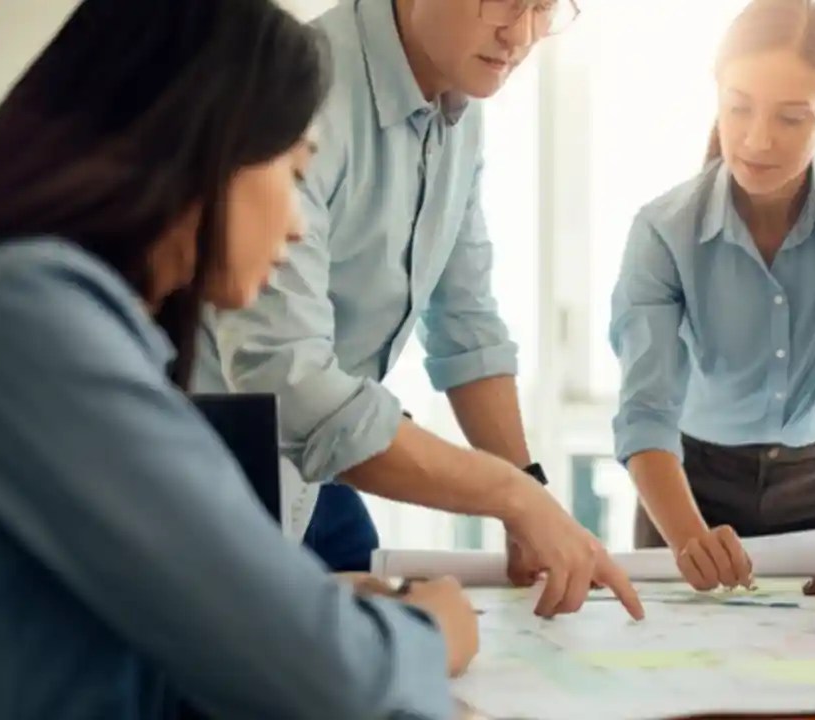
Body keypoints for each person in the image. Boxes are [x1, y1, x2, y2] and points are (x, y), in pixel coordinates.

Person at [0, 0, 479, 717]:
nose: (296, 224)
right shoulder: (36, 320)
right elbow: (329, 678)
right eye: (291, 171)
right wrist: (429, 630)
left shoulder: (67, 321)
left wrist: (308, 610)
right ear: (203, 150)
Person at [193, 0, 645, 620]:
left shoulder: (459, 109)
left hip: (319, 472)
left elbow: (467, 323)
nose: (521, 33)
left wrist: (527, 488)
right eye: (504, 0)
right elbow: (287, 382)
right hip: (208, 463)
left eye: (544, 7)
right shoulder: (299, 85)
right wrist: (508, 497)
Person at [610, 0, 815, 594]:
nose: (757, 139)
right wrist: (687, 538)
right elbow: (646, 412)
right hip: (690, 482)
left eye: (790, 117)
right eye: (739, 108)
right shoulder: (663, 230)